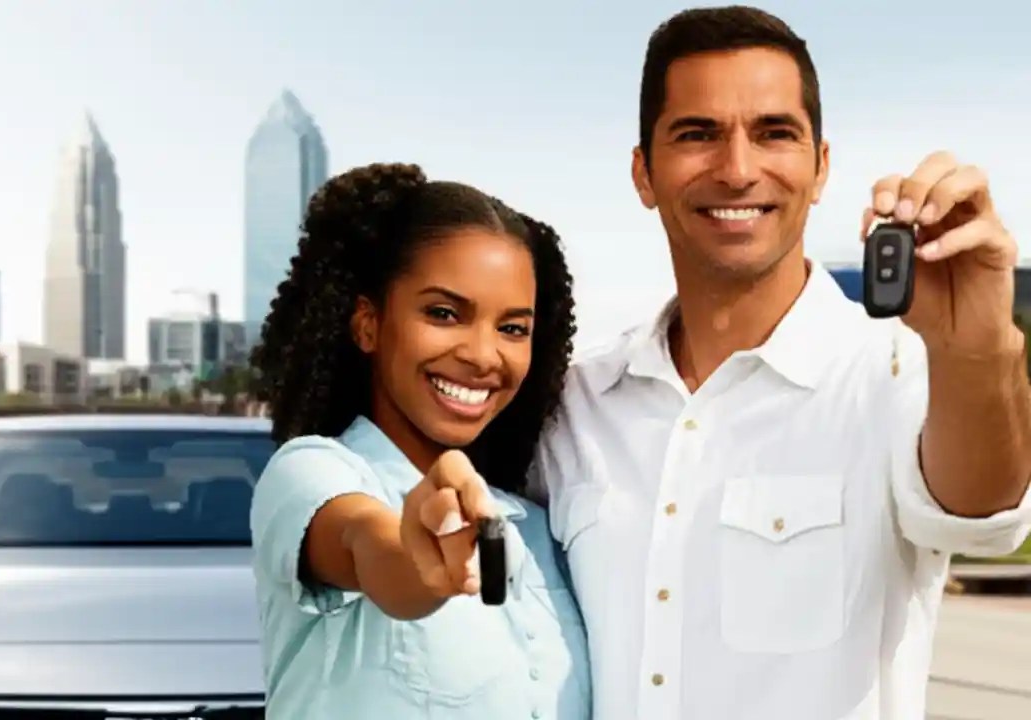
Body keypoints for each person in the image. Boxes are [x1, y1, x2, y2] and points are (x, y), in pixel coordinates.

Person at [398, 6, 1031, 720]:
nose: (737, 170)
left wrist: (982, 347)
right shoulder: (575, 404)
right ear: (644, 173)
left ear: (820, 168)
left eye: (774, 133)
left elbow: (984, 517)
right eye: (697, 135)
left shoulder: (895, 372)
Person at [247, 162, 589, 719]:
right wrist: (416, 554)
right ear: (368, 325)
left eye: (512, 328)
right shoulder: (312, 472)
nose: (483, 355)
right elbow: (372, 547)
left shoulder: (541, 534)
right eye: (444, 313)